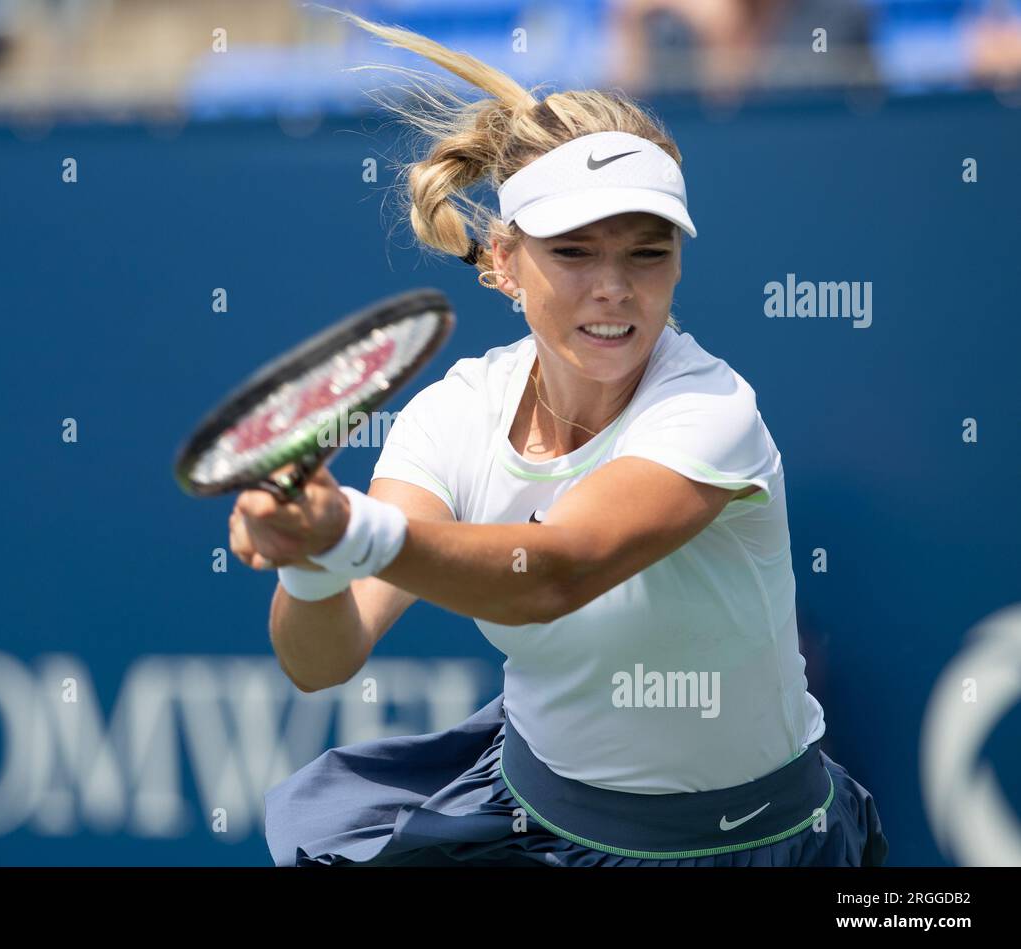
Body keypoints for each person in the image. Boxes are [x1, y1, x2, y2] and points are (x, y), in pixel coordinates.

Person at [227, 10, 888, 867]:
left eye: (647, 255)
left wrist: (349, 532)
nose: (614, 289)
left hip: (758, 846)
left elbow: (555, 573)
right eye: (573, 253)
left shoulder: (712, 411)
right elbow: (324, 657)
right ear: (503, 261)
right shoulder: (454, 413)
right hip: (536, 826)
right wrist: (308, 561)